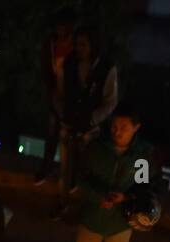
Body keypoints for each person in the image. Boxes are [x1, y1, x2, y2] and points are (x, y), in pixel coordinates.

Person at [67, 103, 152, 242]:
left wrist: (126, 198)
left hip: (120, 222)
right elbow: (81, 179)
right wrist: (98, 196)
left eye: (124, 126)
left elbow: (144, 188)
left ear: (136, 127)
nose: (117, 131)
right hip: (92, 217)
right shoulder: (97, 148)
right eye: (114, 126)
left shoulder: (141, 156)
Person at [57, 26, 119, 203]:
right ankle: (63, 203)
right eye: (77, 44)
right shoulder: (68, 64)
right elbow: (61, 93)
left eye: (83, 44)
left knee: (87, 170)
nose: (79, 48)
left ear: (93, 45)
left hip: (90, 130)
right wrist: (64, 114)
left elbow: (110, 101)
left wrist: (91, 119)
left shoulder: (106, 68)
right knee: (65, 169)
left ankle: (83, 206)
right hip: (68, 125)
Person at [34, 13, 77, 186]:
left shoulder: (76, 46)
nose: (61, 30)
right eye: (59, 26)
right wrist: (50, 89)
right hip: (55, 95)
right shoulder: (51, 44)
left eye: (64, 26)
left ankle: (70, 177)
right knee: (51, 134)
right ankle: (47, 168)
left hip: (72, 99)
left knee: (70, 140)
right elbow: (47, 68)